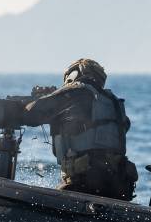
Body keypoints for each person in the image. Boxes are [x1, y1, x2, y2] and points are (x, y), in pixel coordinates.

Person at [17, 58, 137, 200]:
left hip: (85, 183)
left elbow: (30, 114)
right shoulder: (114, 103)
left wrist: (42, 98)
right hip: (118, 187)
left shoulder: (77, 91)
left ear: (73, 75)